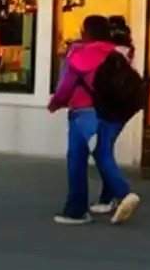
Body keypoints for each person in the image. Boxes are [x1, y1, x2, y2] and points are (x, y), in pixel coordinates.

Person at [47, 15, 140, 225]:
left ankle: (82, 208)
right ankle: (108, 198)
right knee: (101, 151)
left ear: (86, 32)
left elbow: (66, 86)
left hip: (82, 112)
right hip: (109, 112)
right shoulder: (116, 54)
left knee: (77, 159)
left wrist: (56, 103)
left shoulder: (79, 54)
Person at [91, 16, 137, 216]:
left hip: (111, 107)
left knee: (101, 151)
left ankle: (122, 192)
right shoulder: (127, 48)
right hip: (124, 106)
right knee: (104, 150)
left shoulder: (107, 51)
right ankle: (107, 197)